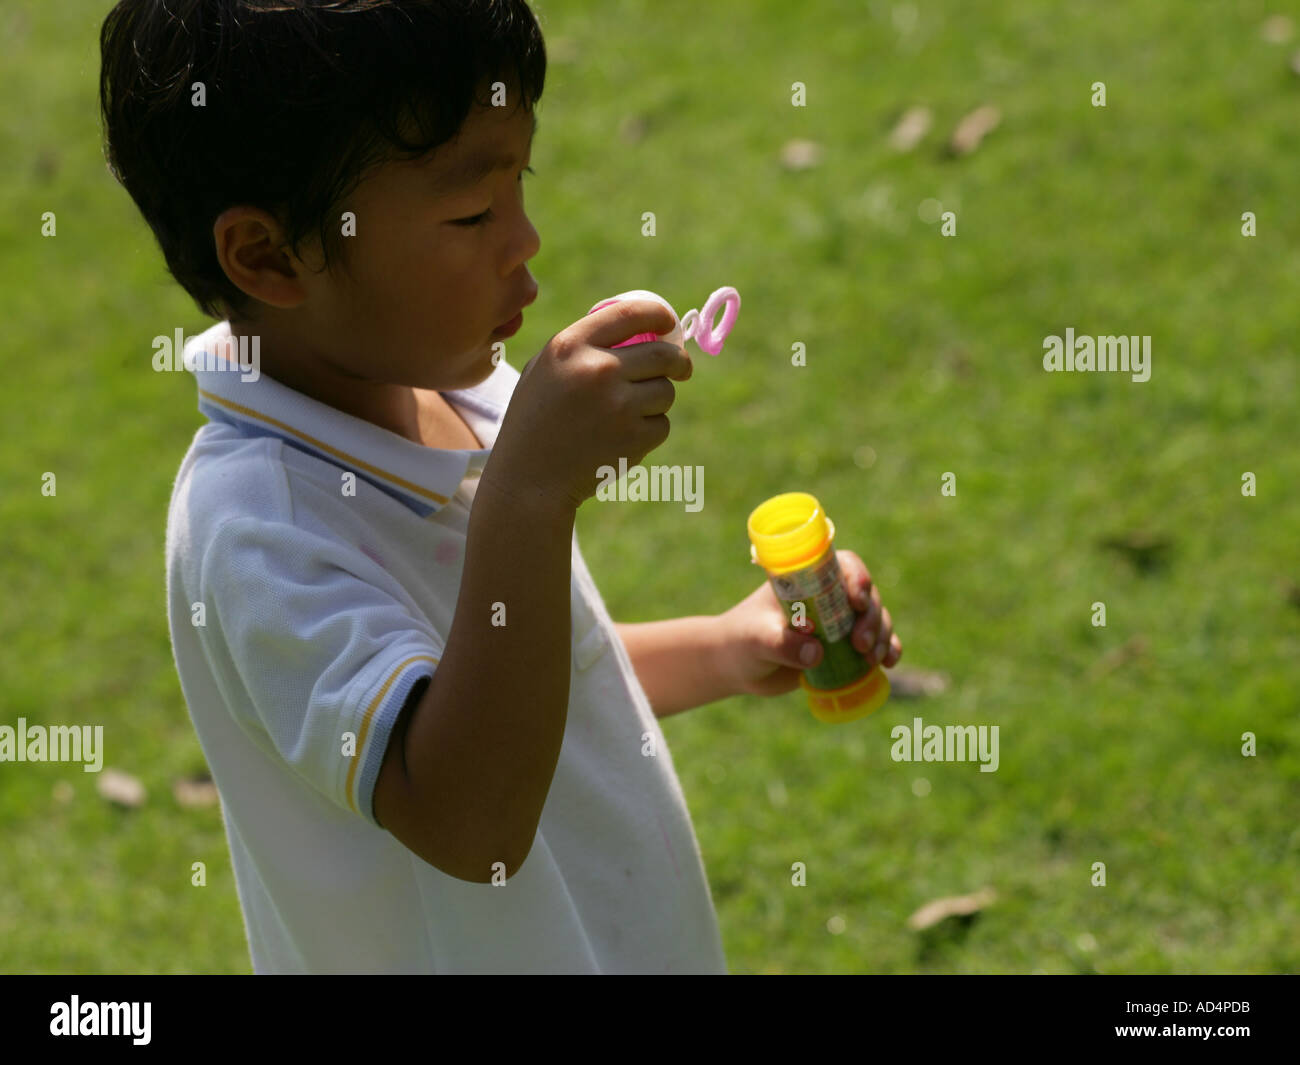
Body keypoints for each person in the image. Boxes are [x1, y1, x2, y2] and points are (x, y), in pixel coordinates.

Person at [99, 0, 901, 974]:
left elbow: (520, 683)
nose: (525, 239)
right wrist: (527, 495)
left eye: (521, 184)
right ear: (268, 256)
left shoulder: (460, 394)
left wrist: (727, 650)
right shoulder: (261, 528)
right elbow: (467, 818)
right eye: (473, 212)